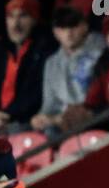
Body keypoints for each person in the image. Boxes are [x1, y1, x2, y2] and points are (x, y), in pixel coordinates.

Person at [0, 0, 54, 132]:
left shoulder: (45, 48)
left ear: (35, 19)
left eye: (23, 16)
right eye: (10, 17)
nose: (15, 24)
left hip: (25, 120)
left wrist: (7, 115)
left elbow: (36, 93)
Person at [31, 7, 103, 136]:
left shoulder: (99, 47)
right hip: (63, 121)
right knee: (46, 132)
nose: (68, 33)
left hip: (95, 113)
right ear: (55, 32)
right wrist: (41, 117)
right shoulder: (51, 63)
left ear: (84, 26)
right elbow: (50, 104)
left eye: (73, 26)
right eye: (62, 28)